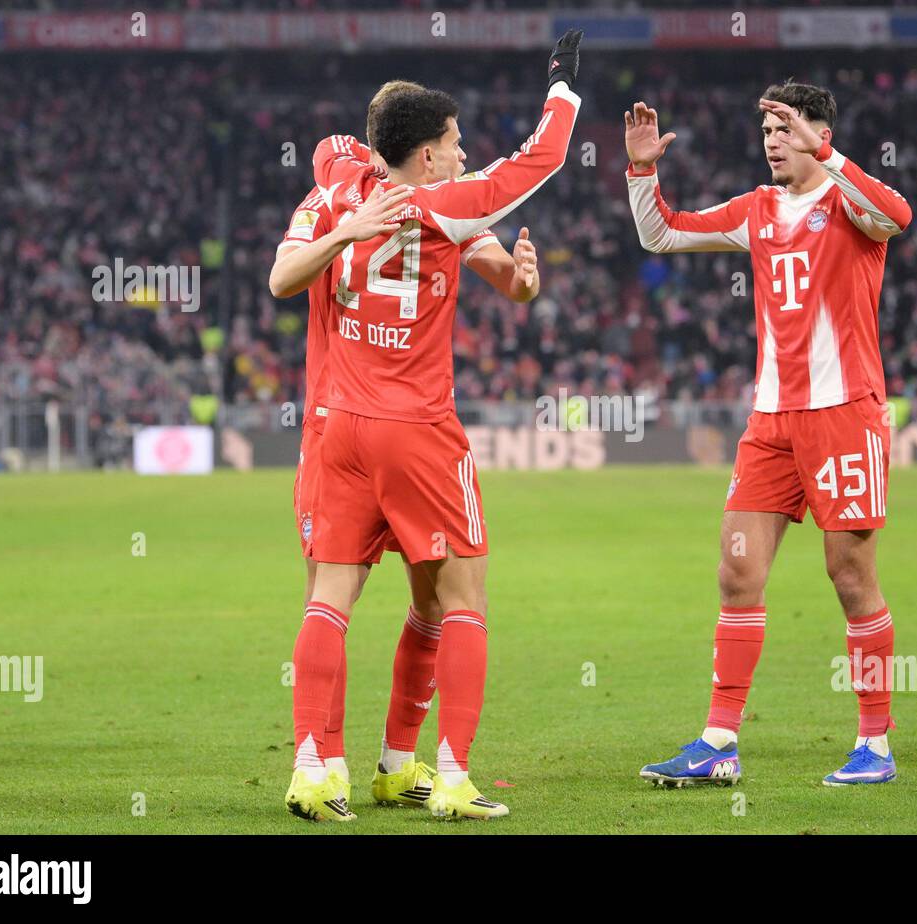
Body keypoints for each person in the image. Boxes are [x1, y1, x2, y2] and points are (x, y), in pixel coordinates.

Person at [287, 29, 583, 821]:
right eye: (452, 144)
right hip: (417, 428)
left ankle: (330, 767)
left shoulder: (337, 187)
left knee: (334, 596)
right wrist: (563, 87)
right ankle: (451, 775)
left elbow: (332, 148)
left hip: (339, 425)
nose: (463, 155)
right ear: (424, 156)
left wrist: (518, 284)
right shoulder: (447, 204)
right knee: (464, 596)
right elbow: (541, 159)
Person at [624, 82, 912, 787]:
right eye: (766, 129)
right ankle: (720, 740)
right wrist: (641, 172)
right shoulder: (755, 209)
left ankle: (875, 744)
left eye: (785, 127)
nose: (772, 140)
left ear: (819, 132)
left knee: (850, 577)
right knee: (737, 570)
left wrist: (830, 155)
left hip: (844, 411)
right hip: (770, 422)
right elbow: (662, 232)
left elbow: (896, 216)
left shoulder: (849, 199)